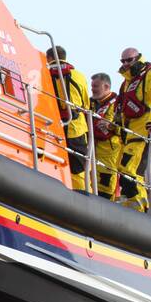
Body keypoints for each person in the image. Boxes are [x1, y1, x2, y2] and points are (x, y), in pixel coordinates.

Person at [114, 47, 151, 212]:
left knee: (130, 170)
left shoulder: (150, 76)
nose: (126, 64)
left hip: (143, 134)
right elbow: (121, 109)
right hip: (128, 135)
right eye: (123, 61)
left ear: (138, 58)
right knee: (121, 171)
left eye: (129, 60)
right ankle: (132, 202)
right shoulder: (127, 82)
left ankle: (141, 207)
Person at [46, 46, 91, 192]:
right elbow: (85, 103)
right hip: (76, 128)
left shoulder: (45, 73)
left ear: (49, 58)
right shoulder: (79, 76)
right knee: (79, 169)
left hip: (54, 127)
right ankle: (84, 196)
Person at [90, 72, 121, 200]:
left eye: (96, 86)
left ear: (106, 87)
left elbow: (117, 127)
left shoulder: (117, 104)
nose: (92, 89)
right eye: (92, 86)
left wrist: (109, 126)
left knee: (107, 183)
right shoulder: (91, 102)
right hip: (93, 150)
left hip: (110, 151)